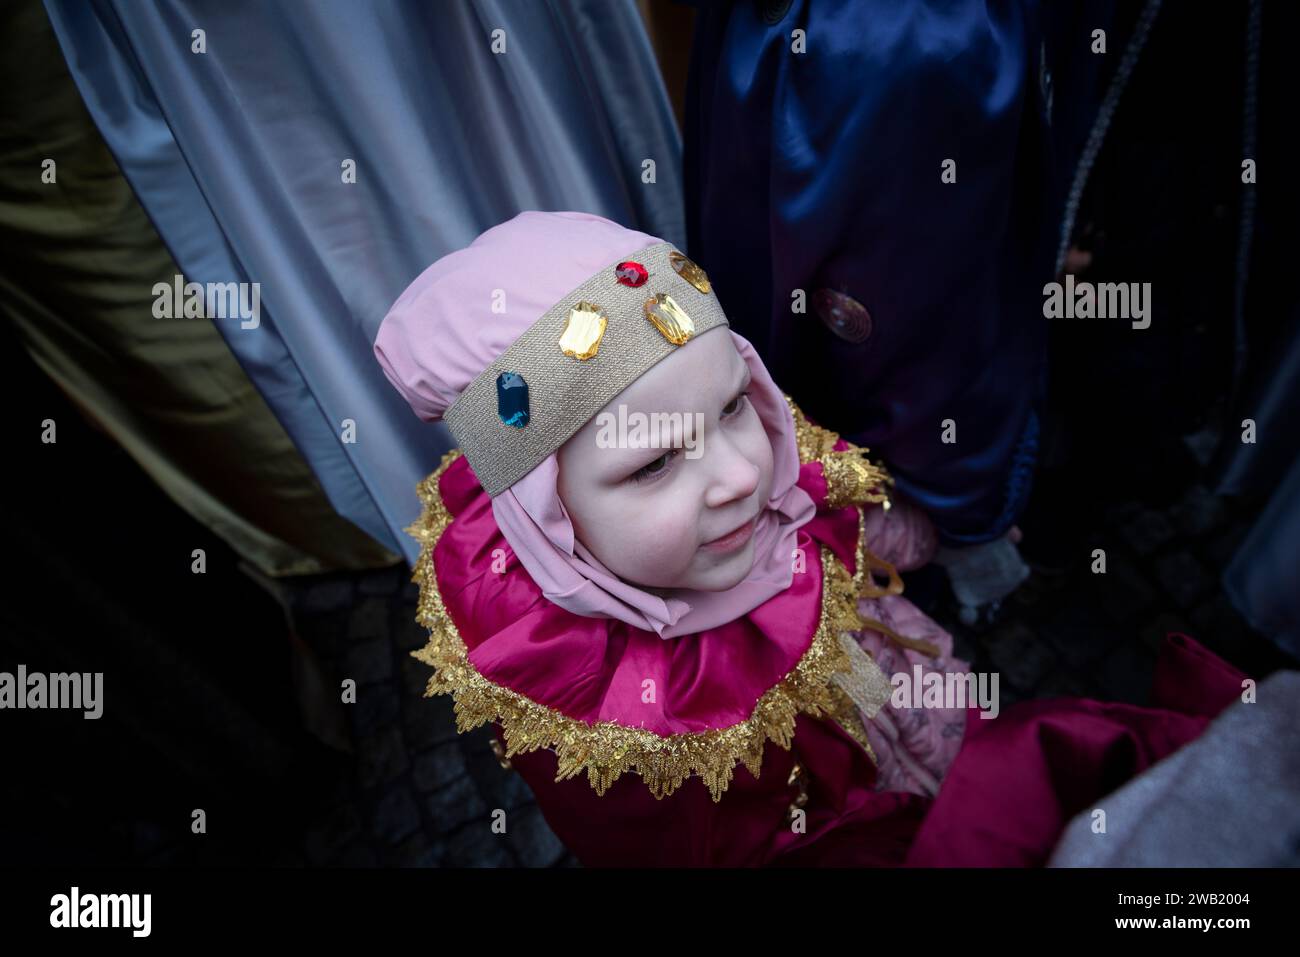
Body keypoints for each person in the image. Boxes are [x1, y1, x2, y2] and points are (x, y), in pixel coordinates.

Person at [373, 210, 1248, 866]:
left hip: (884, 677)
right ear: (546, 517)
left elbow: (826, 492)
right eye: (651, 468)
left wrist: (907, 529)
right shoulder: (598, 707)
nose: (742, 474)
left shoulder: (745, 463)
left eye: (732, 409)